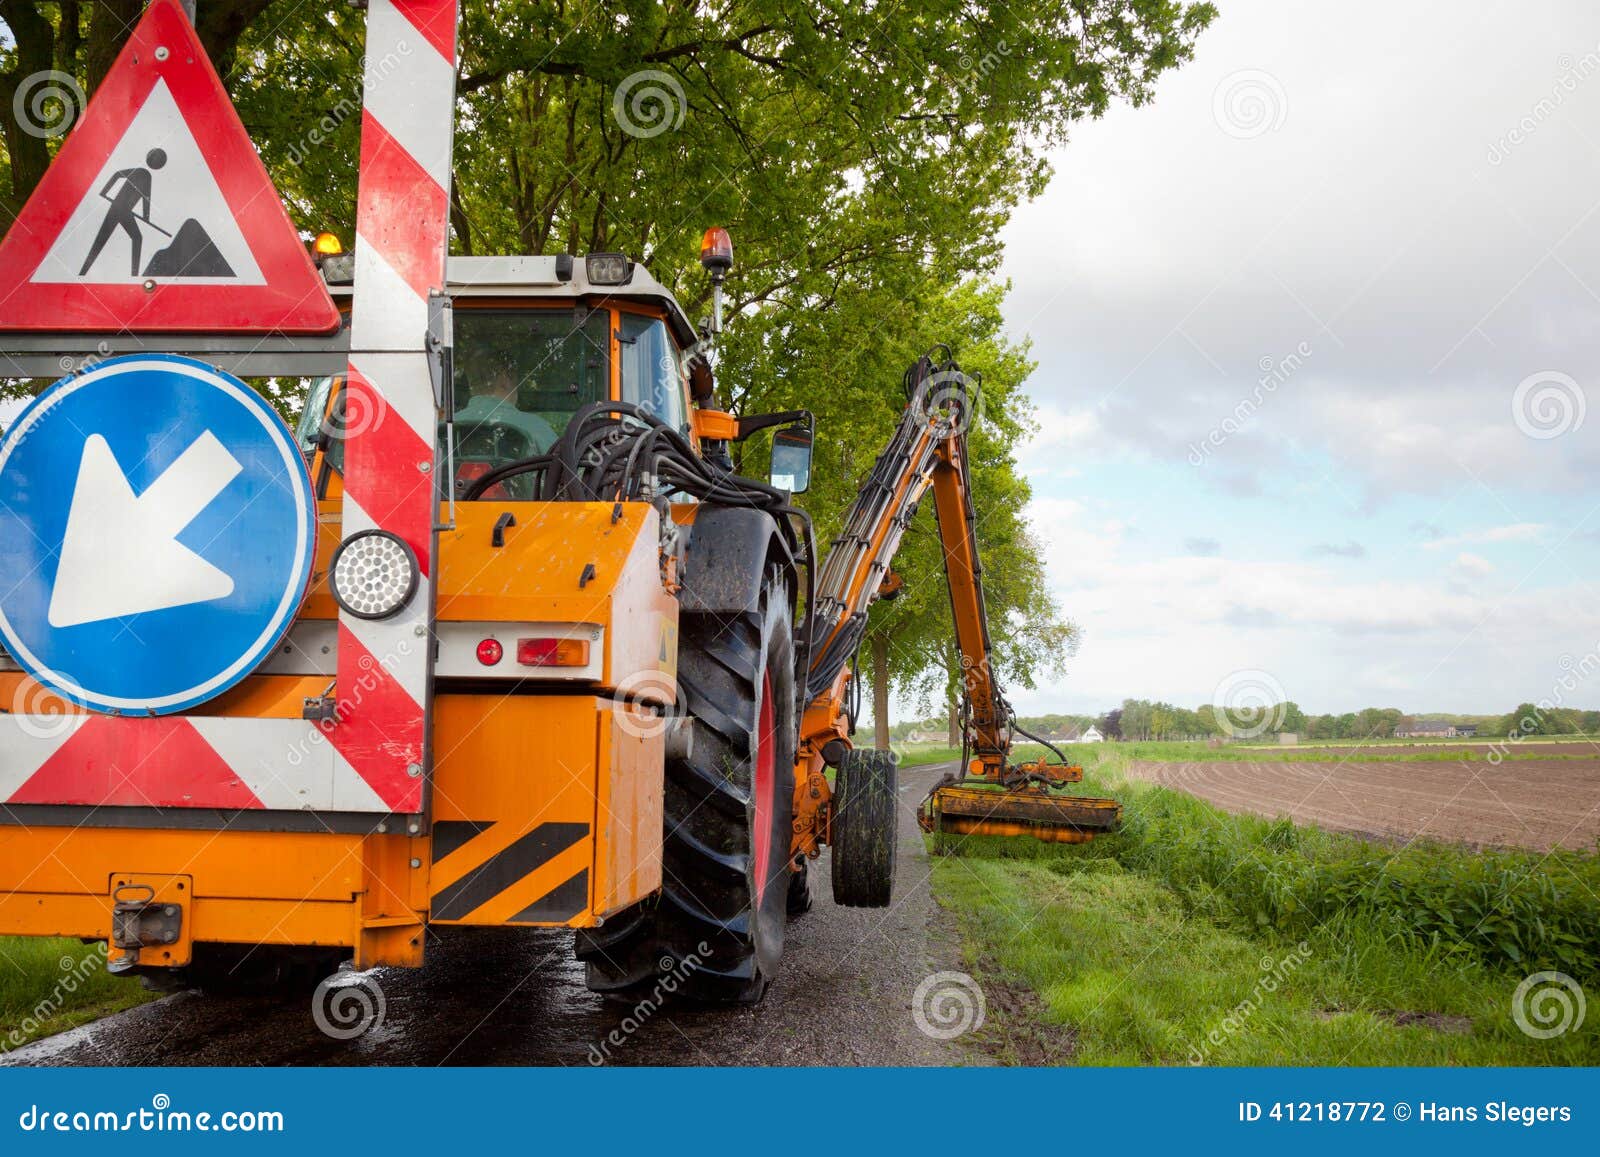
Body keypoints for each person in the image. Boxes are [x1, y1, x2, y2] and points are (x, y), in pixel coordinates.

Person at [80, 148, 168, 277]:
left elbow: (146, 198)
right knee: (104, 240)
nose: (158, 162)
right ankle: (83, 274)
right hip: (119, 209)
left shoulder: (146, 175)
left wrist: (146, 217)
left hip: (124, 211)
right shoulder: (141, 172)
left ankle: (133, 276)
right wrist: (104, 191)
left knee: (109, 240)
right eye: (157, 159)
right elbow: (117, 174)